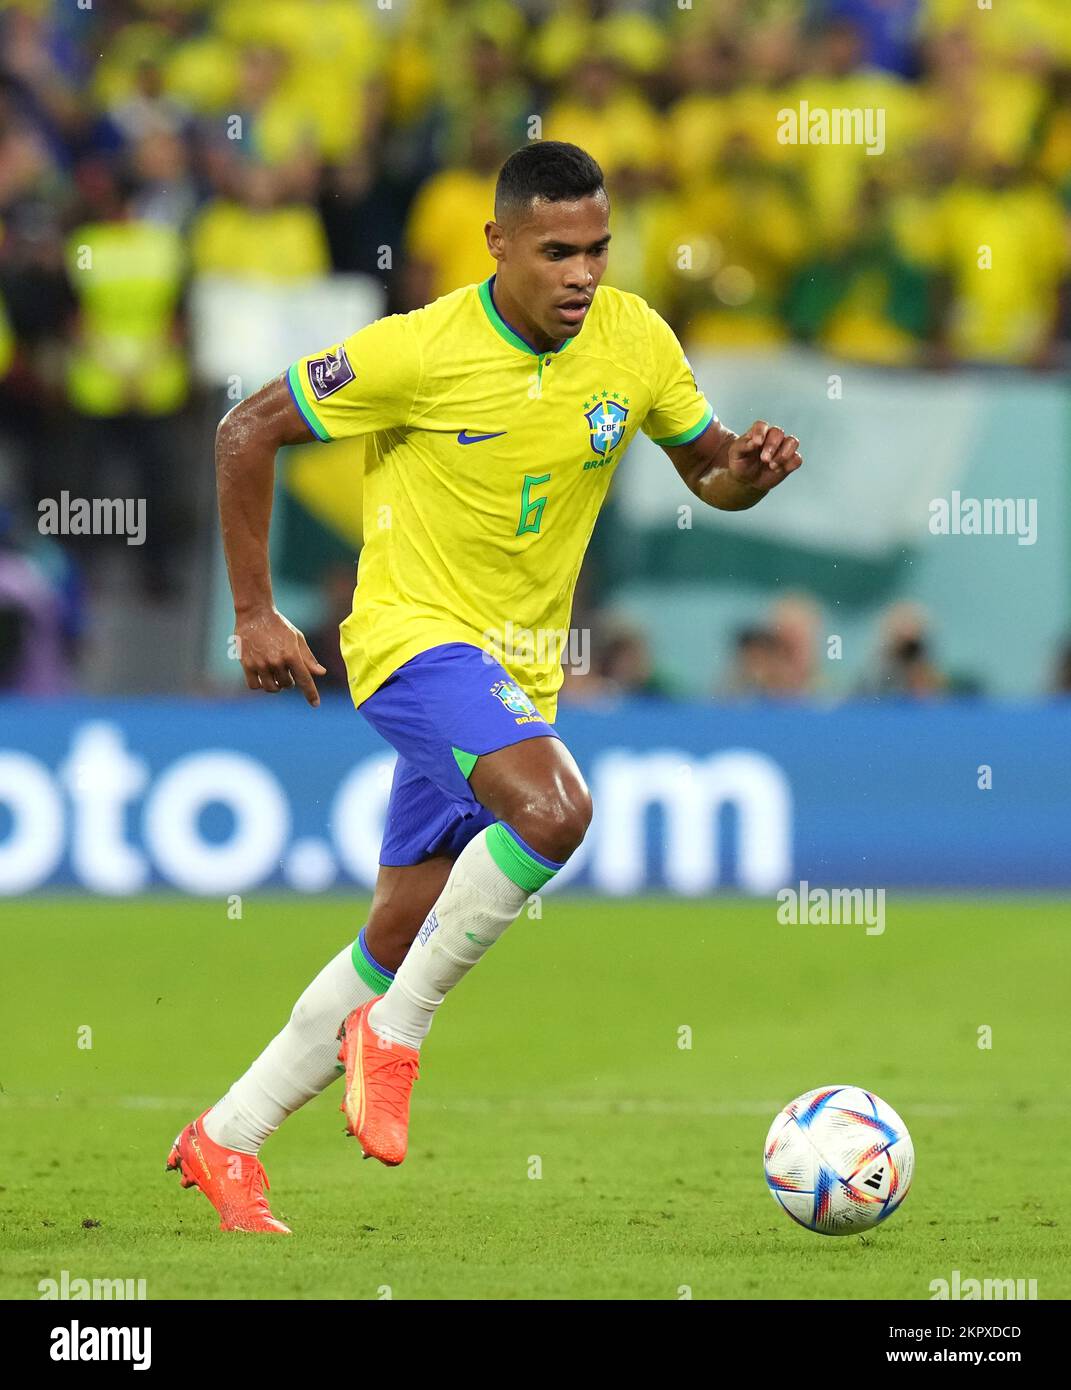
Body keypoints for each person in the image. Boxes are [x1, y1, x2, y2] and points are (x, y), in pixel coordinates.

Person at [168, 141, 803, 1233]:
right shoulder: (417, 350)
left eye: (598, 248)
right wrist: (255, 612)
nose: (582, 273)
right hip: (411, 641)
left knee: (399, 927)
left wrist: (742, 474)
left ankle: (225, 1137)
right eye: (557, 251)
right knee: (557, 810)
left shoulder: (636, 339)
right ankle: (399, 1033)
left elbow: (706, 471)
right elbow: (245, 431)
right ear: (498, 244)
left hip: (518, 668)